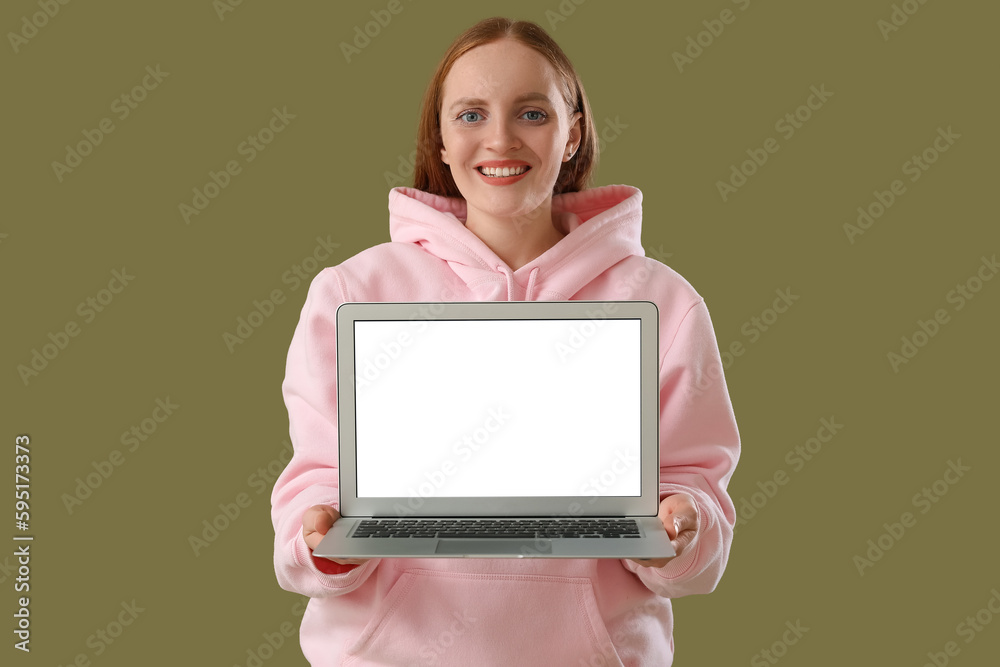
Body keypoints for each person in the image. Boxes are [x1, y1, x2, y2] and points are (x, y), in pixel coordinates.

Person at [271, 16, 740, 666]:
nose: (499, 138)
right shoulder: (354, 290)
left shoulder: (663, 302)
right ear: (438, 137)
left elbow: (697, 511)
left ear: (572, 131)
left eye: (531, 113)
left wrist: (682, 528)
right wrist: (321, 536)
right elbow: (314, 489)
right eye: (469, 114)